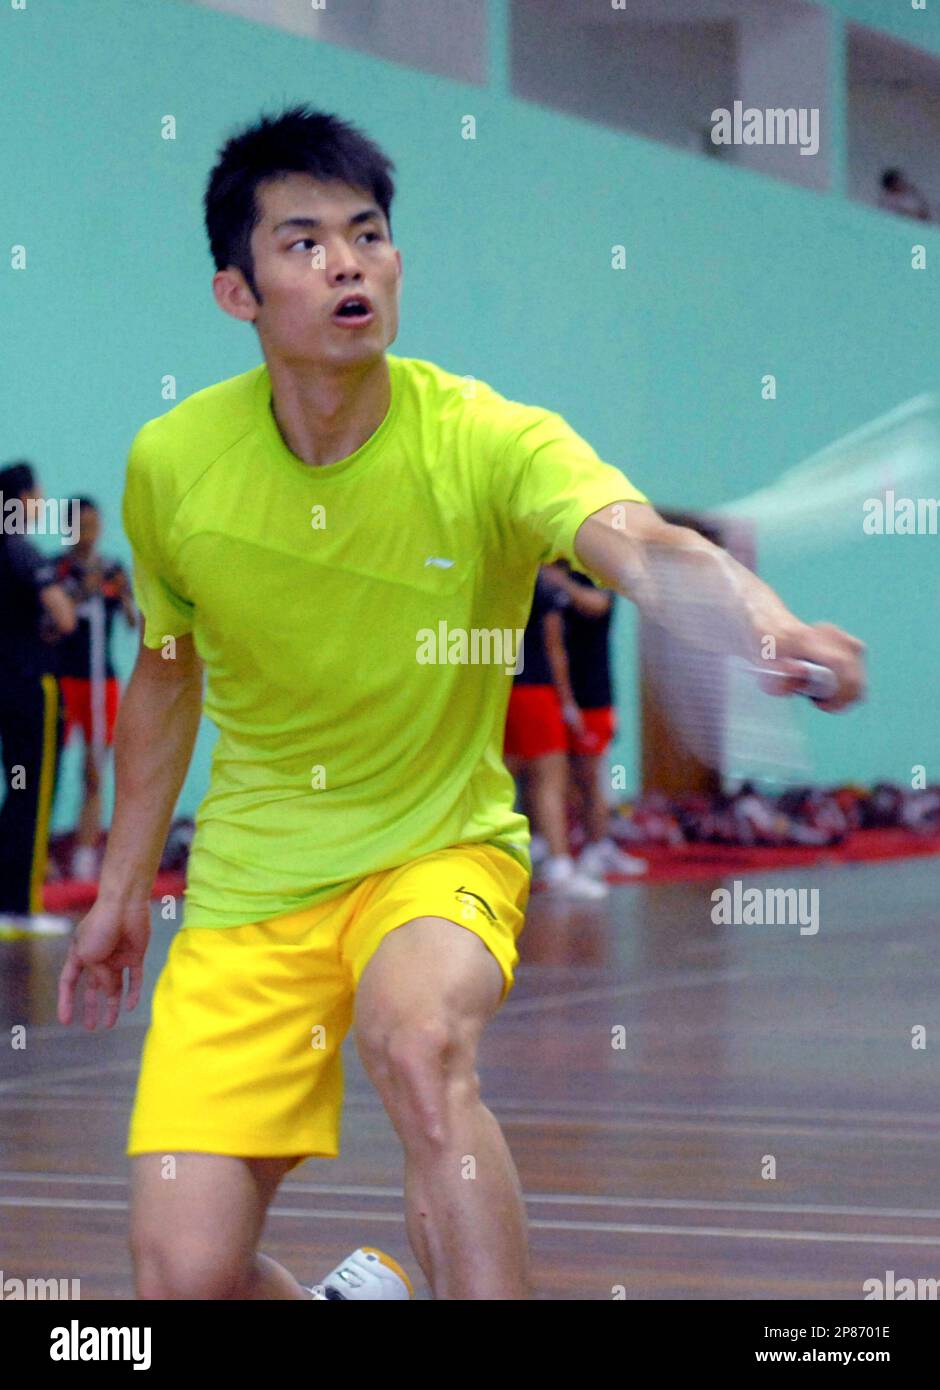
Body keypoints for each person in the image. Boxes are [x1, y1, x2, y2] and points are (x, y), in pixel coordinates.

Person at [55, 106, 865, 1301]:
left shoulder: (486, 438)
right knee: (184, 1278)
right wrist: (123, 885)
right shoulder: (173, 465)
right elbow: (170, 669)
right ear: (237, 292)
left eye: (368, 233)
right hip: (249, 888)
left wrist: (768, 624)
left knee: (418, 1039)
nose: (347, 262)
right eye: (303, 241)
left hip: (434, 854)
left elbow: (638, 542)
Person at [0, 461, 77, 936]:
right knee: (33, 793)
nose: (42, 505)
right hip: (31, 686)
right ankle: (22, 906)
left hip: (3, 682)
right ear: (21, 501)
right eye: (37, 496)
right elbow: (64, 620)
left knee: (16, 790)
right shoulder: (26, 555)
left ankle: (6, 902)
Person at [504, 570, 607, 899]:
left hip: (499, 691)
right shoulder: (540, 585)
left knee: (504, 779)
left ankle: (507, 860)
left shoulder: (492, 578)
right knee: (550, 781)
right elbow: (554, 649)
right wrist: (567, 703)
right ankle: (560, 866)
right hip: (535, 690)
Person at [541, 562, 646, 881]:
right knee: (560, 781)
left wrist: (563, 584)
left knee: (590, 779)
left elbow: (598, 605)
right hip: (557, 693)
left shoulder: (591, 576)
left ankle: (598, 847)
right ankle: (559, 846)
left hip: (592, 697)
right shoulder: (546, 584)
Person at [52, 499, 138, 881]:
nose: (88, 534)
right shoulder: (56, 570)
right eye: (81, 526)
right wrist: (81, 592)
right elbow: (49, 623)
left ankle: (85, 854)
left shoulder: (113, 570)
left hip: (102, 682)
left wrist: (129, 599)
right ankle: (40, 853)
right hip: (64, 681)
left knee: (95, 771)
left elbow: (136, 621)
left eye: (94, 525)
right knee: (47, 768)